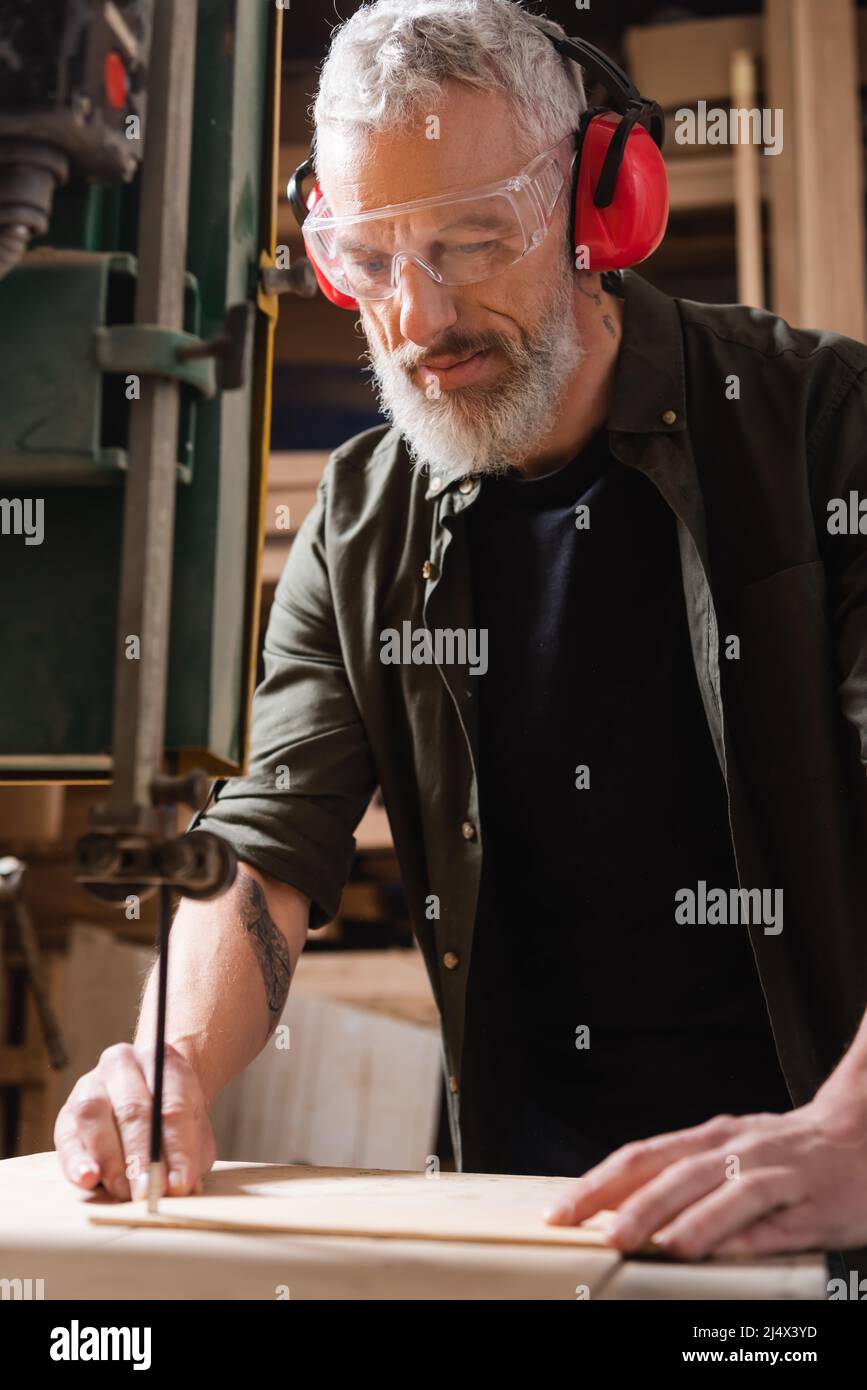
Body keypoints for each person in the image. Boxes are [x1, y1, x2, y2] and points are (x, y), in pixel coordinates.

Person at [55, 0, 867, 1268]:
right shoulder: (360, 518)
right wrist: (170, 1058)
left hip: (826, 1211)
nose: (418, 320)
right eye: (370, 261)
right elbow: (268, 846)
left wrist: (853, 1136)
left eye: (474, 239)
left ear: (598, 208)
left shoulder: (821, 425)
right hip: (529, 1232)